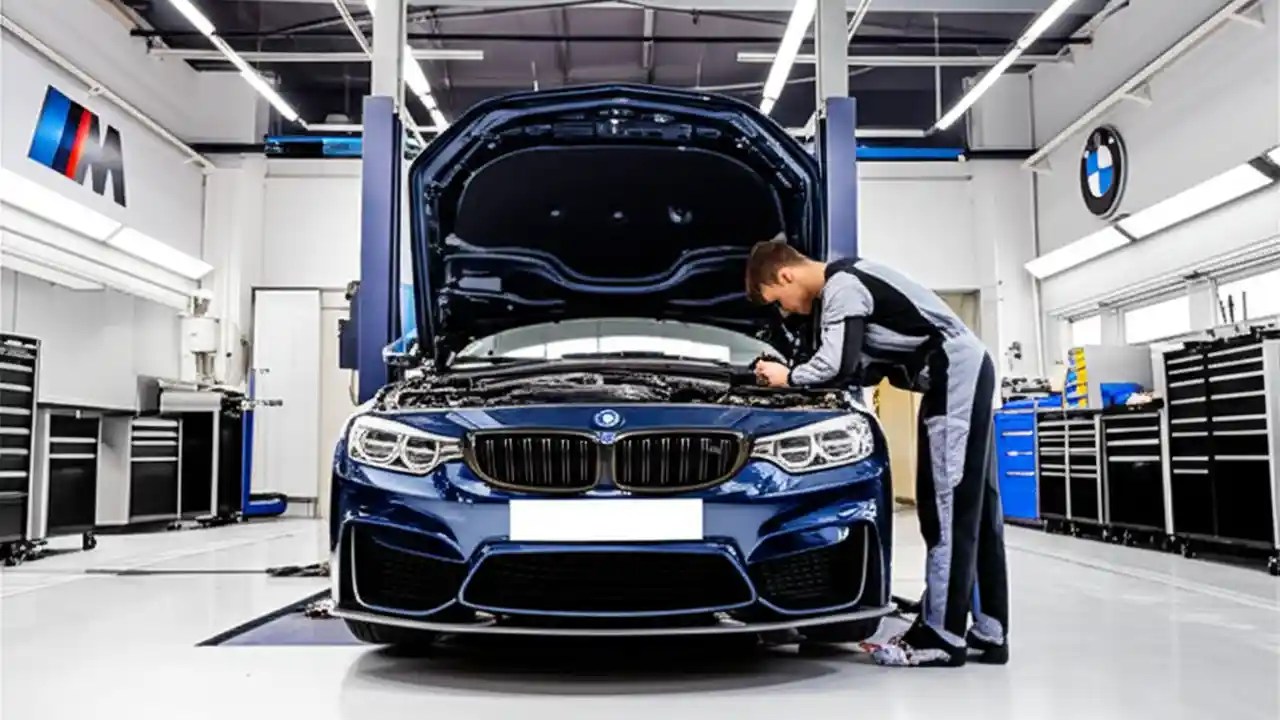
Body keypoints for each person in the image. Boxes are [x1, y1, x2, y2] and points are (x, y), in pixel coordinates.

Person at [745, 237, 1009, 668]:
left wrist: (786, 376)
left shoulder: (842, 287)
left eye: (780, 300)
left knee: (945, 507)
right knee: (975, 508)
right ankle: (990, 631)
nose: (787, 311)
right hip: (964, 373)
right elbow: (864, 365)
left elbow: (838, 366)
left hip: (954, 376)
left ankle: (941, 636)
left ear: (786, 275)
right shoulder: (852, 282)